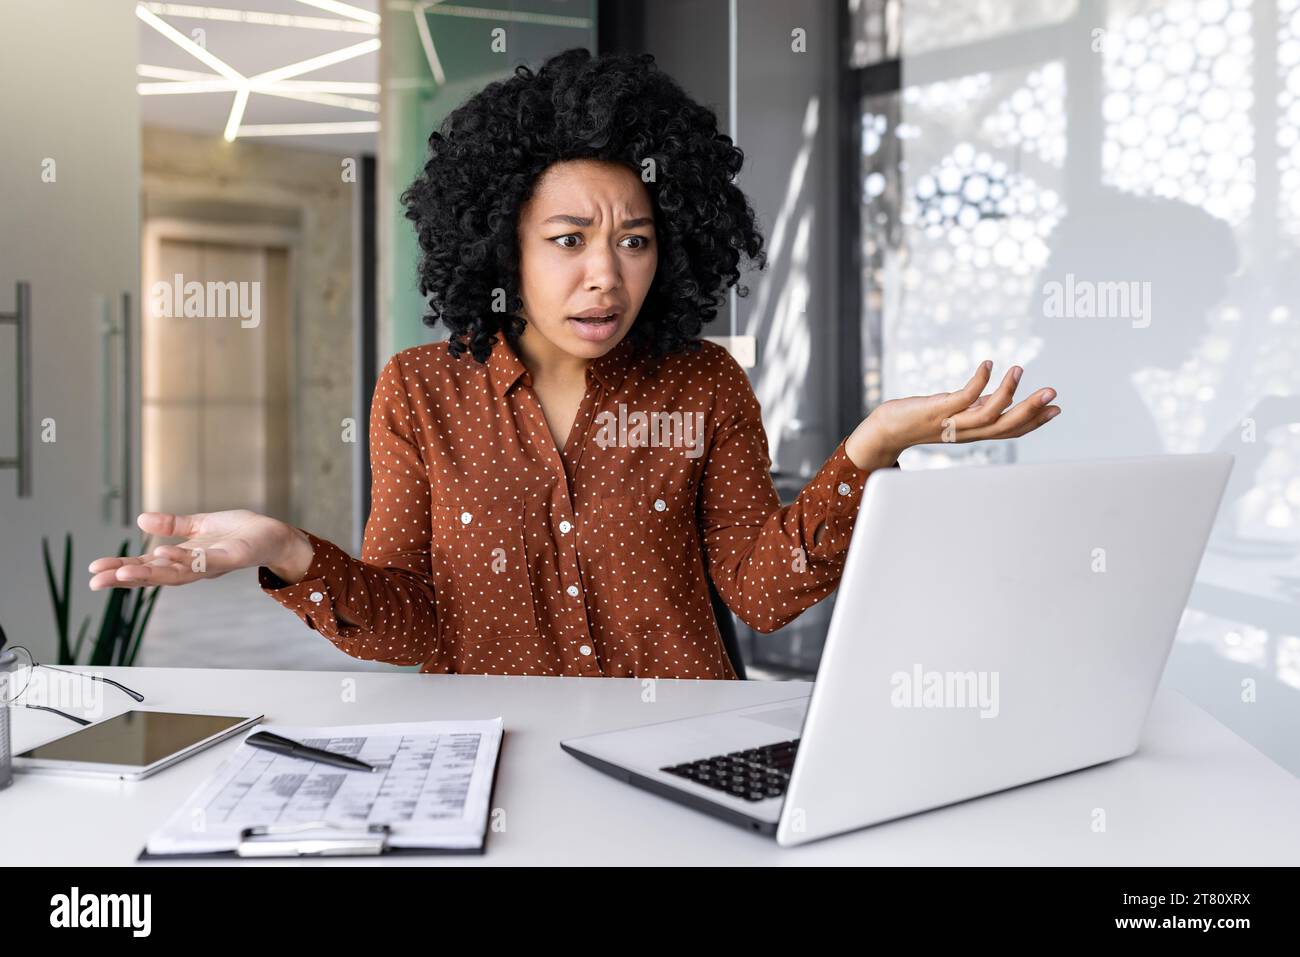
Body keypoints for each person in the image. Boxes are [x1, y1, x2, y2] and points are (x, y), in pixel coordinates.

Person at [88, 49, 1060, 678]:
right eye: (567, 240)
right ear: (503, 245)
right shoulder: (419, 392)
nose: (606, 276)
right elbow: (411, 624)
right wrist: (283, 550)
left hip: (679, 750)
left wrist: (871, 447)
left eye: (634, 241)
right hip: (495, 756)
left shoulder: (701, 385)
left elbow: (761, 593)